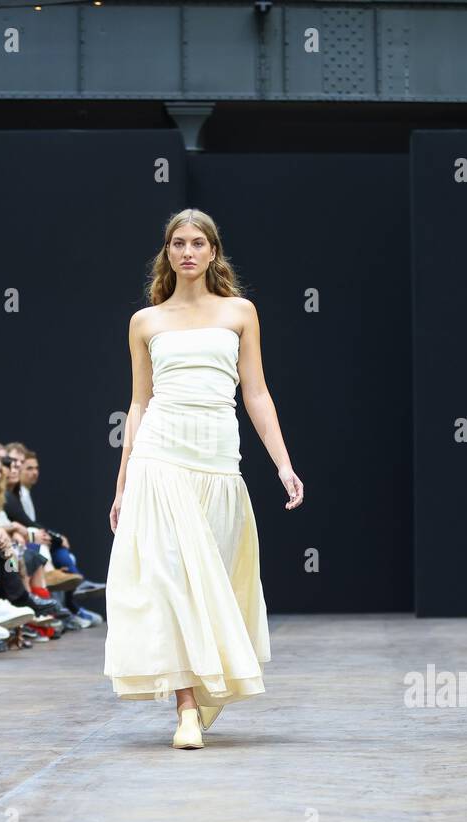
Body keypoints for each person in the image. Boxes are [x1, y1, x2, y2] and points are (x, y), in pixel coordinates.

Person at [104, 209, 304, 750]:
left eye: (197, 243)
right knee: (172, 577)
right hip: (160, 453)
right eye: (177, 243)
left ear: (213, 252)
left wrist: (283, 464)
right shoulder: (146, 321)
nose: (187, 251)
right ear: (166, 253)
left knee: (214, 574)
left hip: (218, 455)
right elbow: (139, 404)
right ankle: (186, 708)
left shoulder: (240, 312)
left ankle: (210, 683)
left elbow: (256, 392)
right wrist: (122, 483)